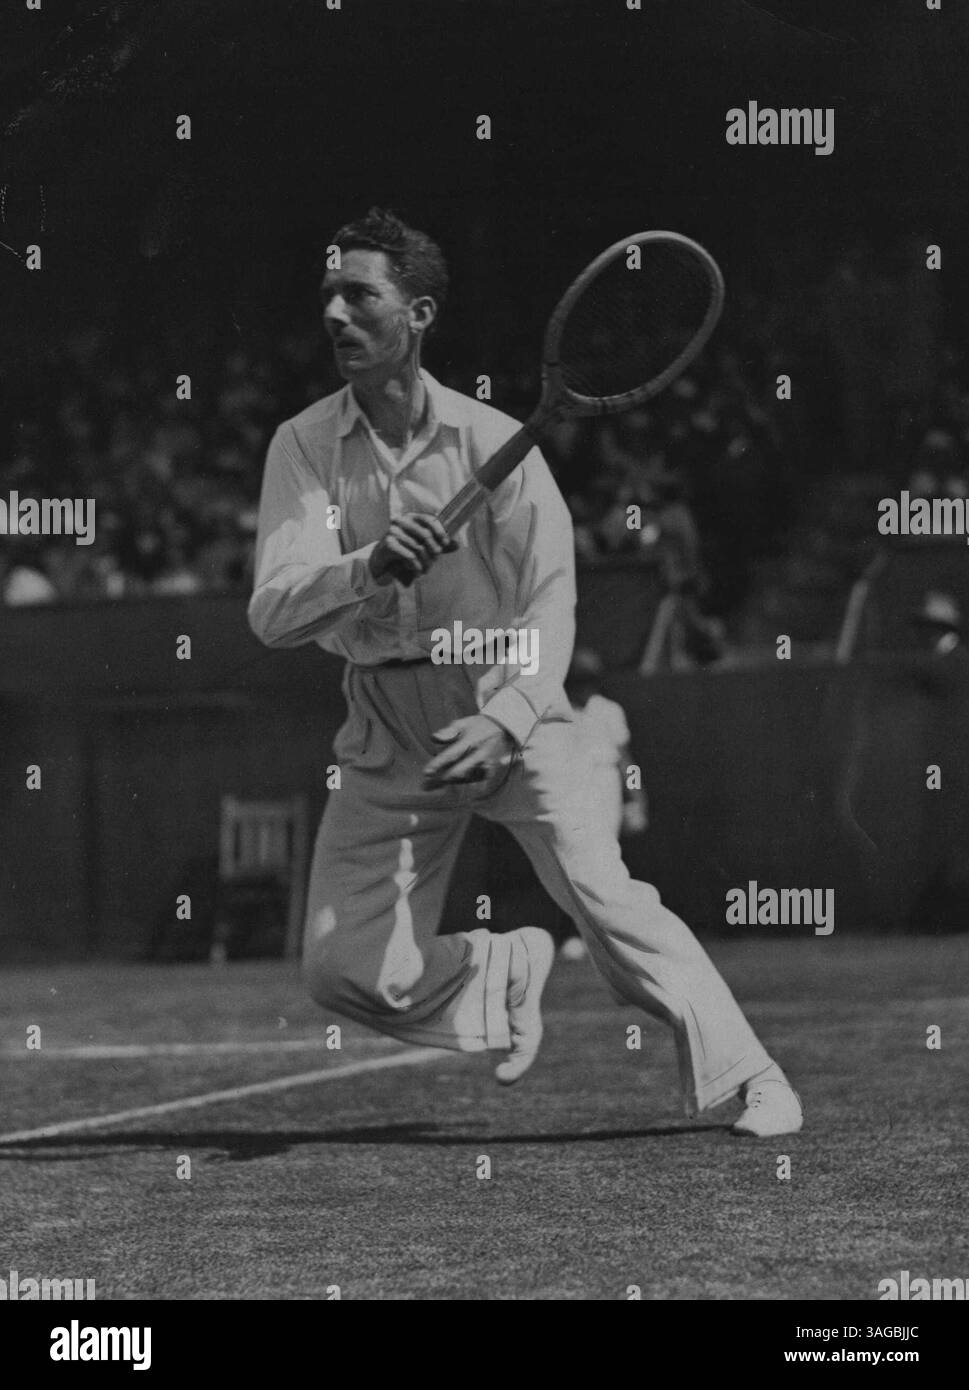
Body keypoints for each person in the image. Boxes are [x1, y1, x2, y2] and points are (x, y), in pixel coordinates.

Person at [249, 207, 802, 1134]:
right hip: (384, 726)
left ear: (418, 312)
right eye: (328, 297)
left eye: (360, 295)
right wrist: (367, 566)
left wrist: (505, 715)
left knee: (607, 900)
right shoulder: (301, 445)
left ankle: (753, 1078)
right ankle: (499, 969)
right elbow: (272, 610)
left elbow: (551, 608)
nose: (337, 315)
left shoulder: (495, 445)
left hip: (510, 704)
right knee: (340, 974)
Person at [558, 648, 647, 961]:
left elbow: (627, 762)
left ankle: (613, 936)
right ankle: (585, 933)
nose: (585, 688)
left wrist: (637, 799)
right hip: (570, 789)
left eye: (590, 680)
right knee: (575, 863)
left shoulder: (609, 710)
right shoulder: (555, 711)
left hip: (605, 786)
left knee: (606, 861)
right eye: (579, 681)